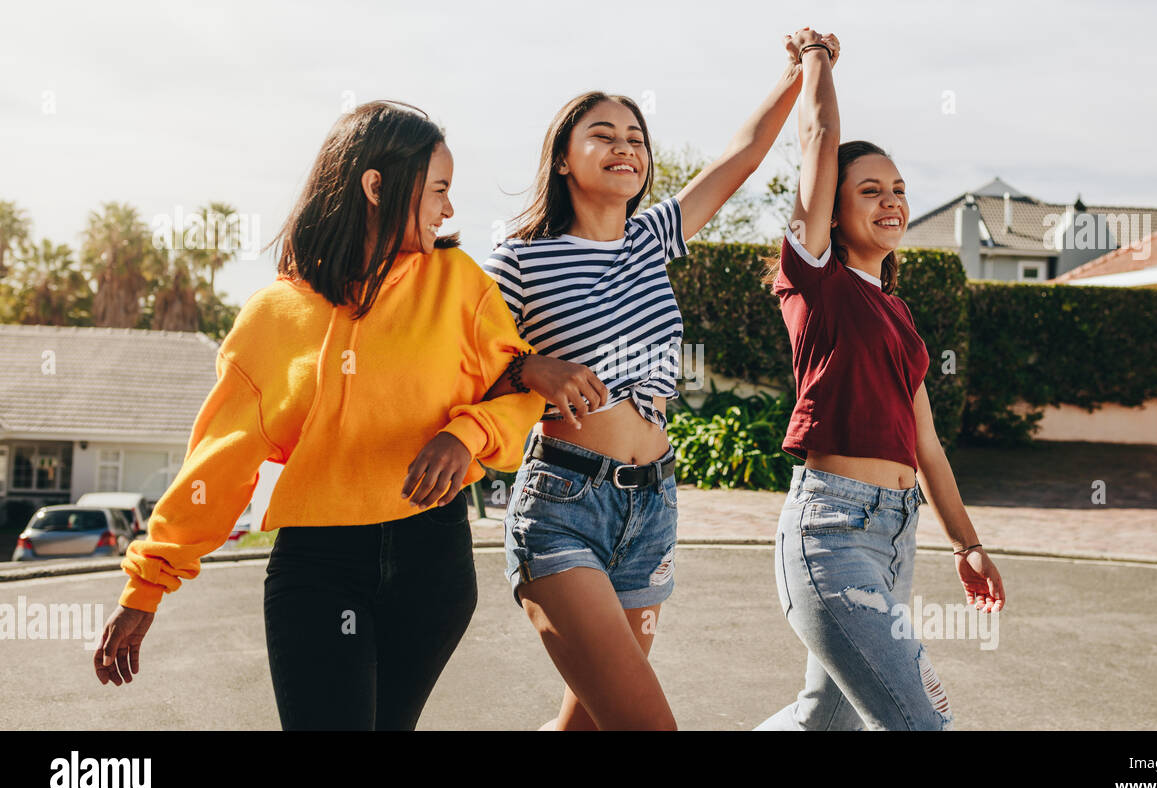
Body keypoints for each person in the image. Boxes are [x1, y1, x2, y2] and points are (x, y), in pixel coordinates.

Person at [91, 101, 546, 731]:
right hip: (320, 569)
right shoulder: (274, 316)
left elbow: (522, 384)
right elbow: (219, 461)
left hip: (432, 562)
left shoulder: (460, 285)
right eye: (439, 189)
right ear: (376, 185)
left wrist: (466, 436)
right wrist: (148, 584)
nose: (448, 209)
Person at [481, 32, 816, 730]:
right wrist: (527, 368)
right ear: (564, 158)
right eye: (602, 134)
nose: (624, 145)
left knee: (588, 725)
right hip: (563, 503)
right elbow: (460, 363)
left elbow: (742, 158)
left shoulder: (652, 236)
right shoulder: (518, 262)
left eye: (636, 135)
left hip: (652, 506)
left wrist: (796, 74)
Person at [755, 30, 1007, 731]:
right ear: (832, 205)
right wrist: (818, 62)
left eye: (898, 189)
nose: (891, 201)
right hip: (831, 531)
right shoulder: (815, 282)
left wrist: (967, 542)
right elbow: (817, 138)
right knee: (919, 722)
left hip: (894, 538)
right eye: (870, 190)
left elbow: (925, 443)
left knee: (821, 719)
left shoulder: (895, 314)